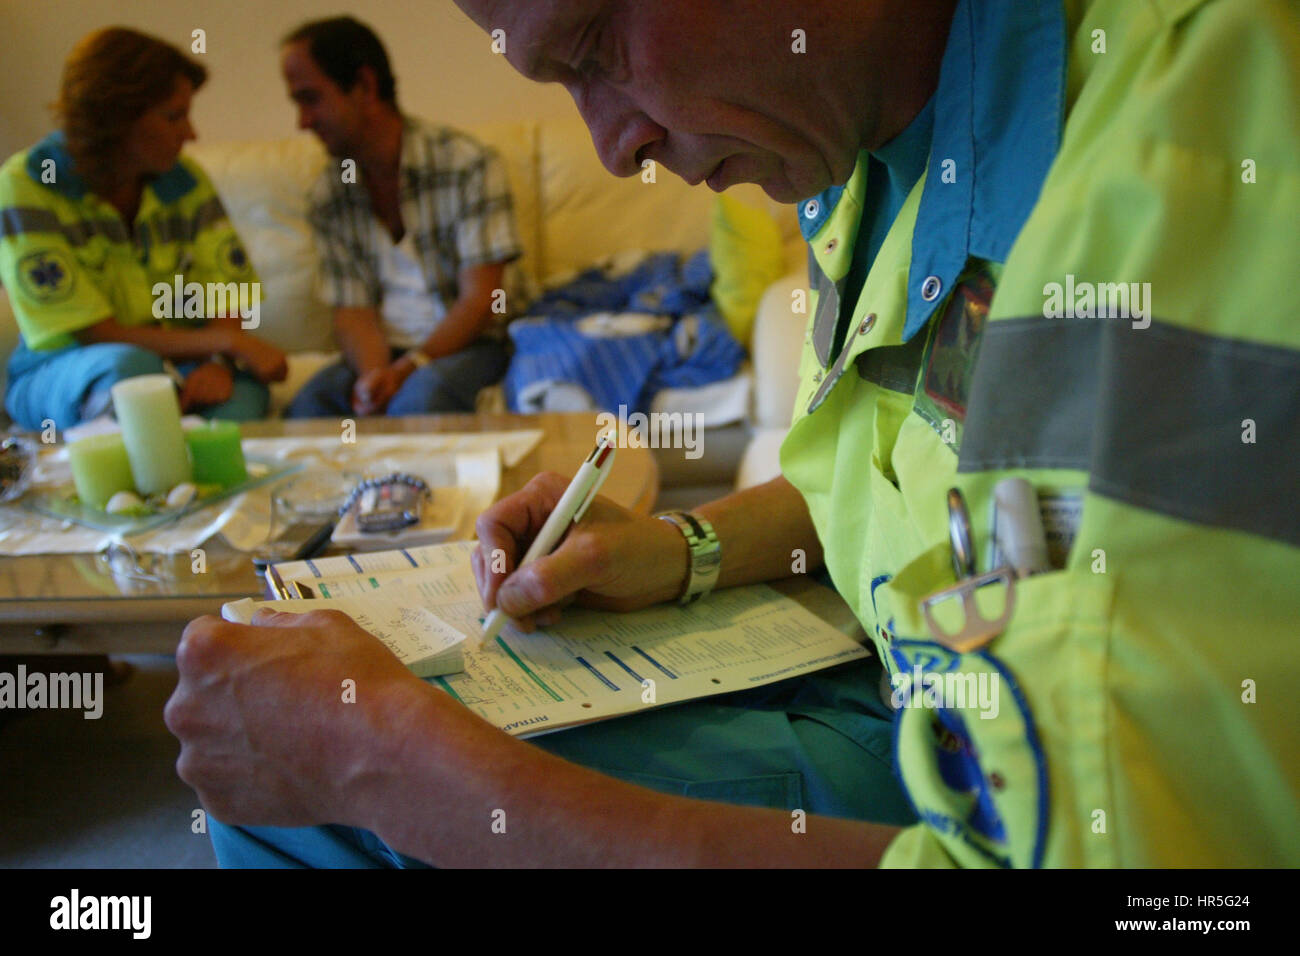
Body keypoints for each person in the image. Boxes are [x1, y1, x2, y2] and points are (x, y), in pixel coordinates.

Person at [166, 0, 1300, 867]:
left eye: (599, 43)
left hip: (976, 771)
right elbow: (894, 472)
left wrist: (394, 774)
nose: (612, 146)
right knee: (295, 749)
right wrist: (687, 545)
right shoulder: (865, 162)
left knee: (329, 783)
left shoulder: (1179, 154)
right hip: (894, 689)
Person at [0, 27, 286, 431]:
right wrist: (227, 344)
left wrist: (218, 363)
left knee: (240, 399)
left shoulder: (184, 181)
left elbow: (226, 295)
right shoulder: (29, 184)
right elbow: (95, 335)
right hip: (64, 371)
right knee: (131, 374)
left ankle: (200, 490)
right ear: (115, 118)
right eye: (174, 116)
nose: (191, 133)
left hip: (182, 365)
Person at [280, 17, 523, 419]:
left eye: (310, 99)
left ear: (365, 85)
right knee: (309, 407)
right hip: (384, 352)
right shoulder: (329, 193)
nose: (302, 122)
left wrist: (409, 368)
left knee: (419, 402)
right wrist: (376, 377)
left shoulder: (465, 165)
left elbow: (482, 301)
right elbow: (352, 311)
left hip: (472, 344)